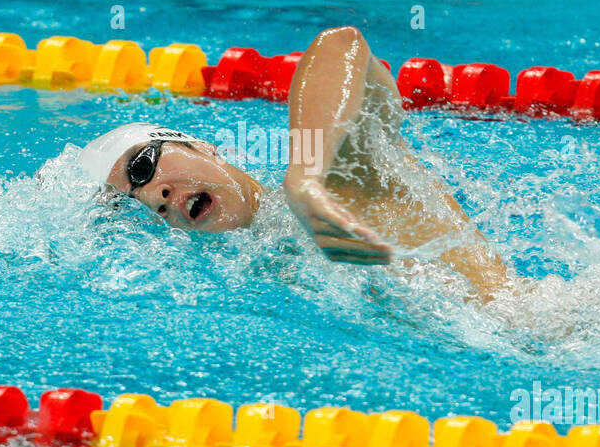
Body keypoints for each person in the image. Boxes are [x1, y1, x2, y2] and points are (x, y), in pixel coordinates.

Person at [77, 26, 511, 302]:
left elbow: (341, 45)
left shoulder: (343, 179)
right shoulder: (257, 272)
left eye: (143, 168)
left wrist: (305, 180)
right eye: (132, 204)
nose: (155, 198)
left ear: (202, 146)